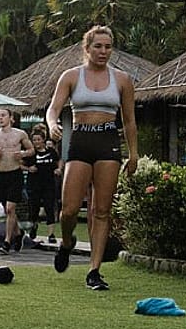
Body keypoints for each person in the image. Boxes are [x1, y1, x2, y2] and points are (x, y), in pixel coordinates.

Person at [45, 25, 137, 290]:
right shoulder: (72, 76)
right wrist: (52, 124)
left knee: (101, 210)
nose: (103, 51)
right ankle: (66, 242)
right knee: (70, 210)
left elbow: (129, 121)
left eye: (108, 47)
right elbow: (53, 109)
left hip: (108, 141)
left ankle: (94, 271)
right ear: (86, 48)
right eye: (98, 46)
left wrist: (134, 154)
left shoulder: (122, 79)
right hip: (81, 141)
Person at [0, 108, 34, 254]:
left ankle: (6, 242)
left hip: (15, 174)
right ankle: (18, 234)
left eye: (3, 115)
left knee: (11, 209)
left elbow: (31, 150)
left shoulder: (20, 134)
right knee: (7, 210)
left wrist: (23, 153)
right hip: (0, 174)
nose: (0, 118)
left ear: (11, 118)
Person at [23, 123, 61, 243]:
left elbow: (59, 160)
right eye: (34, 140)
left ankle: (51, 234)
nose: (36, 142)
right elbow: (19, 164)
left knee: (49, 207)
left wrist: (58, 169)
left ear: (43, 140)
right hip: (34, 185)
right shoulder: (31, 154)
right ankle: (33, 227)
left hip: (48, 183)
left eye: (39, 139)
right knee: (33, 208)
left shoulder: (51, 151)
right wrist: (29, 169)